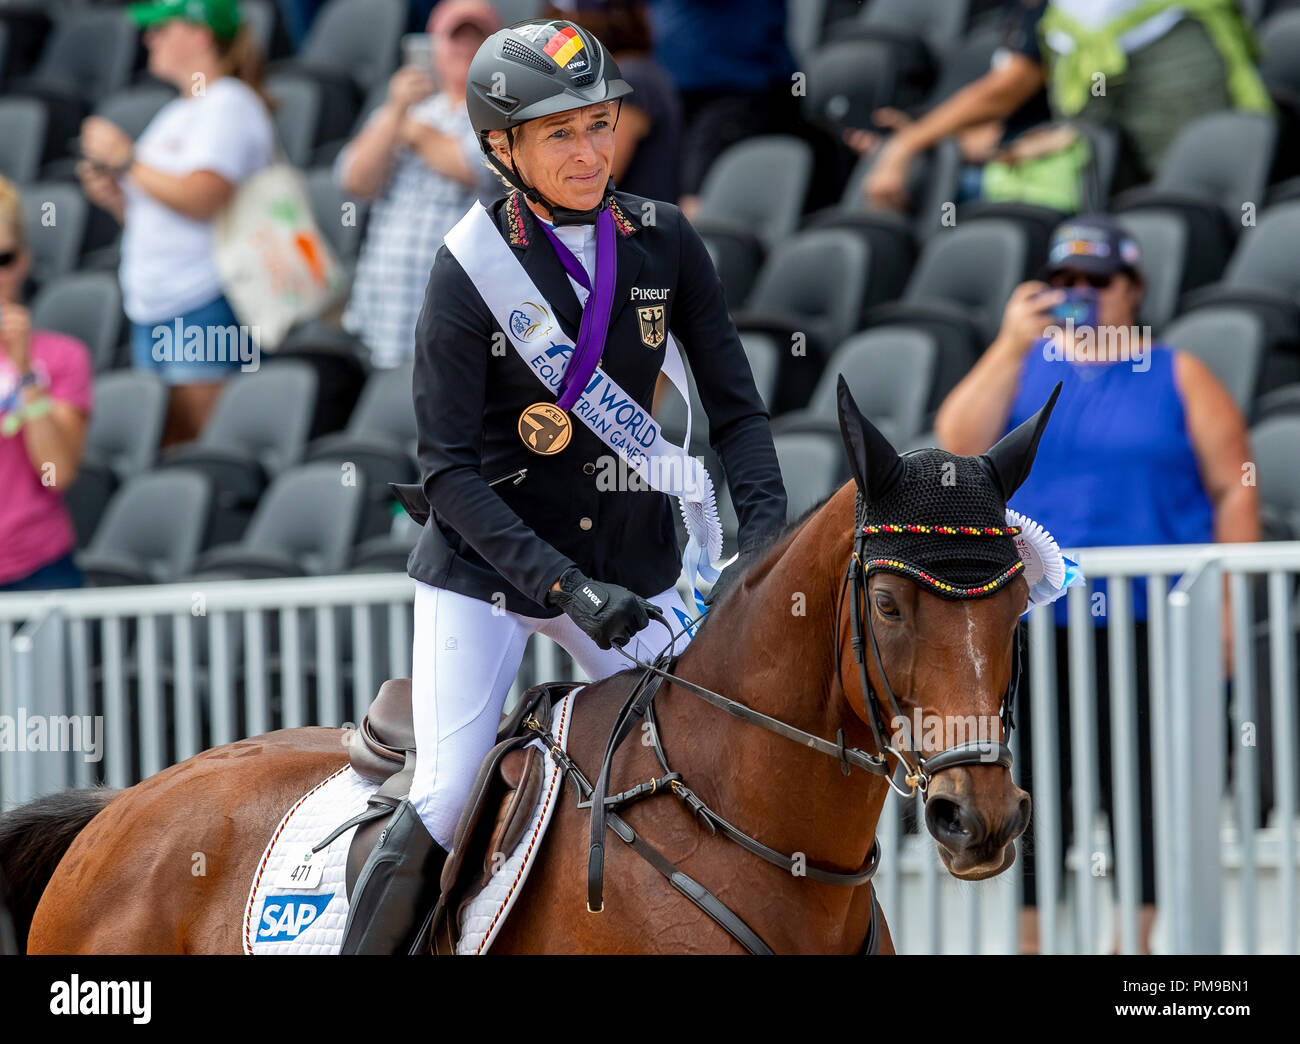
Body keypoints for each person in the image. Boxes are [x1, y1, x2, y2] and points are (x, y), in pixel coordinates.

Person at [338, 17, 788, 954]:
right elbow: (446, 473)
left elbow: (740, 415)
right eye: (559, 133)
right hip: (490, 576)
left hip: (634, 565)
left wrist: (764, 543)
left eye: (599, 125)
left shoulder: (665, 239)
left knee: (715, 766)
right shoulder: (468, 269)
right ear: (501, 147)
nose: (589, 153)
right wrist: (568, 589)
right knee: (447, 795)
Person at [934, 214, 1260, 953]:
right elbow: (955, 445)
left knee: (1147, 784)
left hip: (1154, 622)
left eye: (1098, 280)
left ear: (1133, 289)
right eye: (1065, 280)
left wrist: (1229, 609)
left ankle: (1132, 946)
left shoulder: (1178, 373)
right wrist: (1010, 343)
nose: (1081, 292)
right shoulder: (1022, 367)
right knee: (1033, 784)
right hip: (1036, 624)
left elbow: (1234, 486)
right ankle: (1030, 943)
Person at [76, 0, 276, 445]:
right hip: (158, 301)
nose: (150, 39)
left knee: (203, 449)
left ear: (200, 35)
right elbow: (156, 215)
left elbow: (204, 196)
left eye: (163, 28)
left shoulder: (229, 102)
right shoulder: (179, 111)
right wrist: (115, 194)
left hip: (204, 298)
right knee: (167, 450)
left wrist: (126, 160)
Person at [859, 0, 1271, 211]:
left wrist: (909, 143)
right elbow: (997, 118)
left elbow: (1008, 87)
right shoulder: (1036, 18)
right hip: (1090, 75)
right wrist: (922, 142)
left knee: (1190, 193)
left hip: (1164, 45)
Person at [337, 0, 500, 369]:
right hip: (386, 308)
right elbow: (355, 180)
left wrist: (412, 131)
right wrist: (396, 110)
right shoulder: (399, 111)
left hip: (454, 308)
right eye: (455, 38)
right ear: (434, 47)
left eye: (477, 40)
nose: (465, 49)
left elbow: (473, 167)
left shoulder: (501, 113)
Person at [0, 179, 93, 593]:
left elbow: (57, 473)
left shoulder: (63, 357)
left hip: (38, 571)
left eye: (3, 258)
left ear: (24, 261)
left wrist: (26, 374)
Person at [544, 0, 682, 202]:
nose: (556, 37)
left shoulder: (630, 76)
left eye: (562, 21)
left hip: (629, 220)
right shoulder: (639, 70)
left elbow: (597, 174)